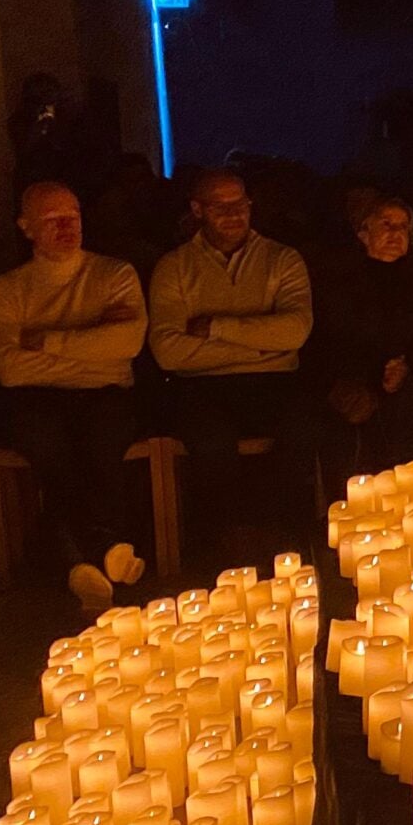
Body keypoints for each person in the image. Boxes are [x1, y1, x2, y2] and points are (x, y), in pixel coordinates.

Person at [0, 182, 149, 608]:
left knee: (102, 441)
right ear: (26, 227)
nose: (66, 226)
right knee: (52, 453)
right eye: (53, 219)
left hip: (105, 392)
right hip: (35, 398)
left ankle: (75, 562)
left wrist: (46, 342)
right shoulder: (6, 290)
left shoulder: (115, 275)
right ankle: (105, 544)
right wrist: (93, 342)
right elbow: (9, 367)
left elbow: (125, 346)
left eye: (72, 216)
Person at [147, 167, 315, 560]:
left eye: (240, 203)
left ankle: (285, 544)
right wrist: (261, 343)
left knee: (304, 430)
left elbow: (294, 332)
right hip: (199, 387)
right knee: (210, 443)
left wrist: (215, 328)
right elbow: (168, 350)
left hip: (274, 382)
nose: (233, 213)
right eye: (220, 206)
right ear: (197, 209)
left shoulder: (283, 260)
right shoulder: (174, 268)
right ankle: (222, 553)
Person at [314, 196, 413, 477]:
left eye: (403, 227)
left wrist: (406, 366)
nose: (395, 233)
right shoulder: (339, 282)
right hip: (357, 377)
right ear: (363, 233)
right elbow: (333, 339)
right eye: (386, 224)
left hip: (411, 381)